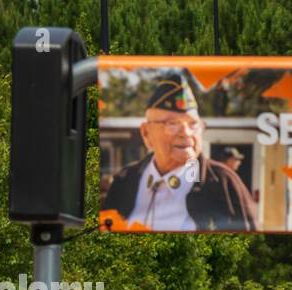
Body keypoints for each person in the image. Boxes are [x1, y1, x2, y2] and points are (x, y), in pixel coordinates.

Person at [103, 74, 257, 232]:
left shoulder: (223, 184)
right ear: (146, 133)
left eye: (193, 124)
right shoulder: (125, 180)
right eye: (172, 124)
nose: (186, 133)